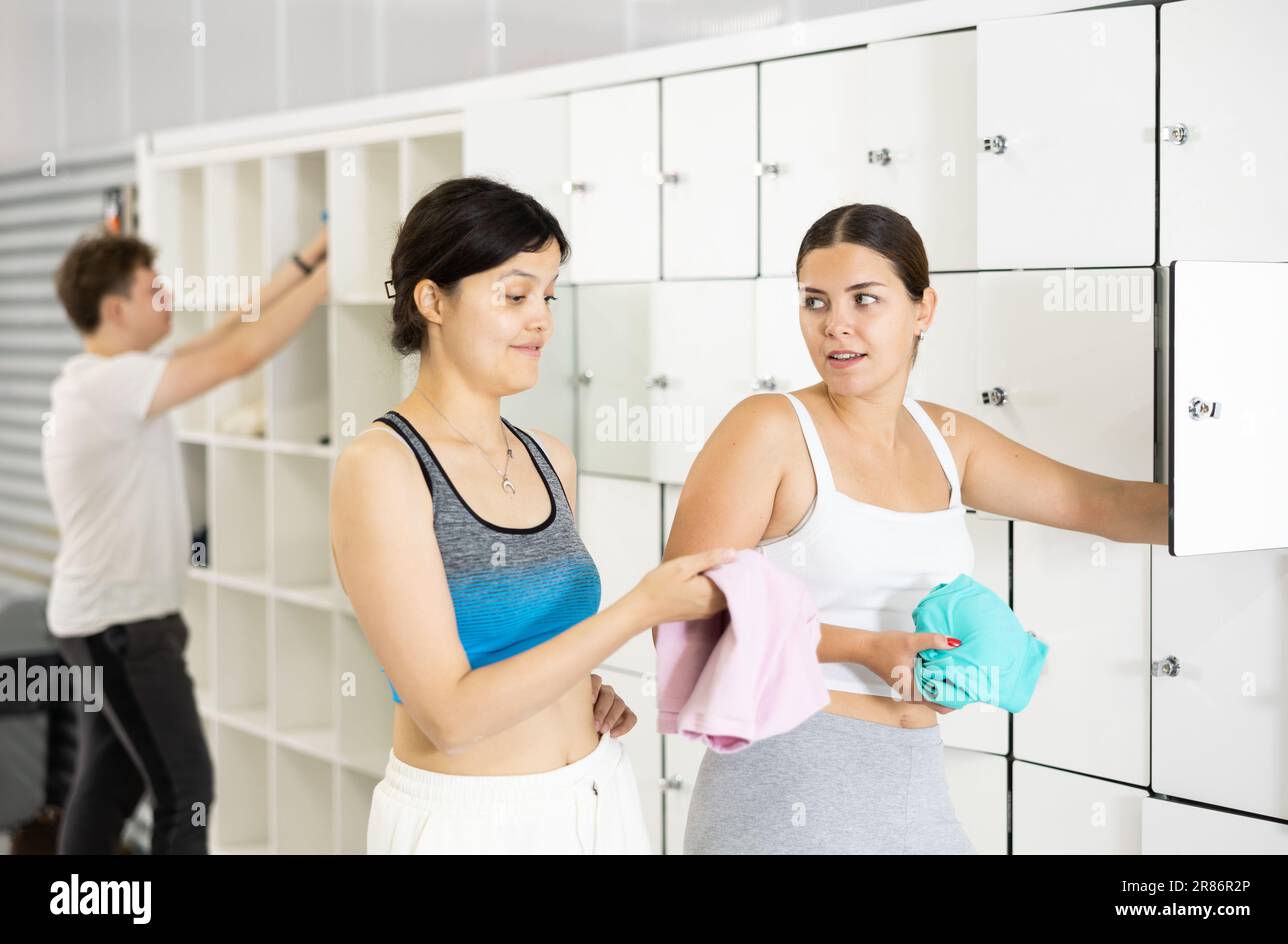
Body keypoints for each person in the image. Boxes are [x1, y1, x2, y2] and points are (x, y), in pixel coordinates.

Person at [663, 203, 1169, 854]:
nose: (835, 326)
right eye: (815, 302)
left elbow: (1106, 505)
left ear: (923, 309)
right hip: (788, 773)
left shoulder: (944, 437)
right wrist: (865, 649)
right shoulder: (769, 428)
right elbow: (678, 610)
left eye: (864, 299)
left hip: (916, 774)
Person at [329, 176, 733, 854]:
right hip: (471, 823)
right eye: (515, 295)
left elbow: (525, 651)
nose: (542, 318)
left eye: (547, 295)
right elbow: (451, 716)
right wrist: (636, 612)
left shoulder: (551, 458)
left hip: (599, 793)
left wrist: (580, 690)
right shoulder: (383, 467)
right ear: (431, 299)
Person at [42, 226, 330, 853]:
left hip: (103, 622)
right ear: (116, 310)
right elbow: (240, 356)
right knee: (187, 790)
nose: (167, 296)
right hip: (122, 627)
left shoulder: (103, 378)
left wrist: (310, 258)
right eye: (154, 288)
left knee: (111, 781)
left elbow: (228, 332)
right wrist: (342, 268)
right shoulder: (108, 385)